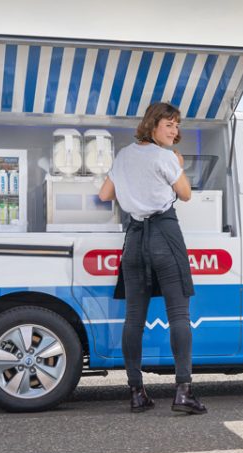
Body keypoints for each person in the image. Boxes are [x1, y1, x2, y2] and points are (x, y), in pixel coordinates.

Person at [99, 102, 206, 415]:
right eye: (168, 124)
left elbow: (105, 194)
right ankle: (183, 393)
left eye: (176, 126)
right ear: (152, 125)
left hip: (134, 238)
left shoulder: (123, 156)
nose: (174, 131)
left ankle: (136, 393)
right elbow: (185, 193)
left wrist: (134, 187)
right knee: (178, 313)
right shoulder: (166, 157)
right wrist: (178, 166)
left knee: (134, 316)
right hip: (164, 233)